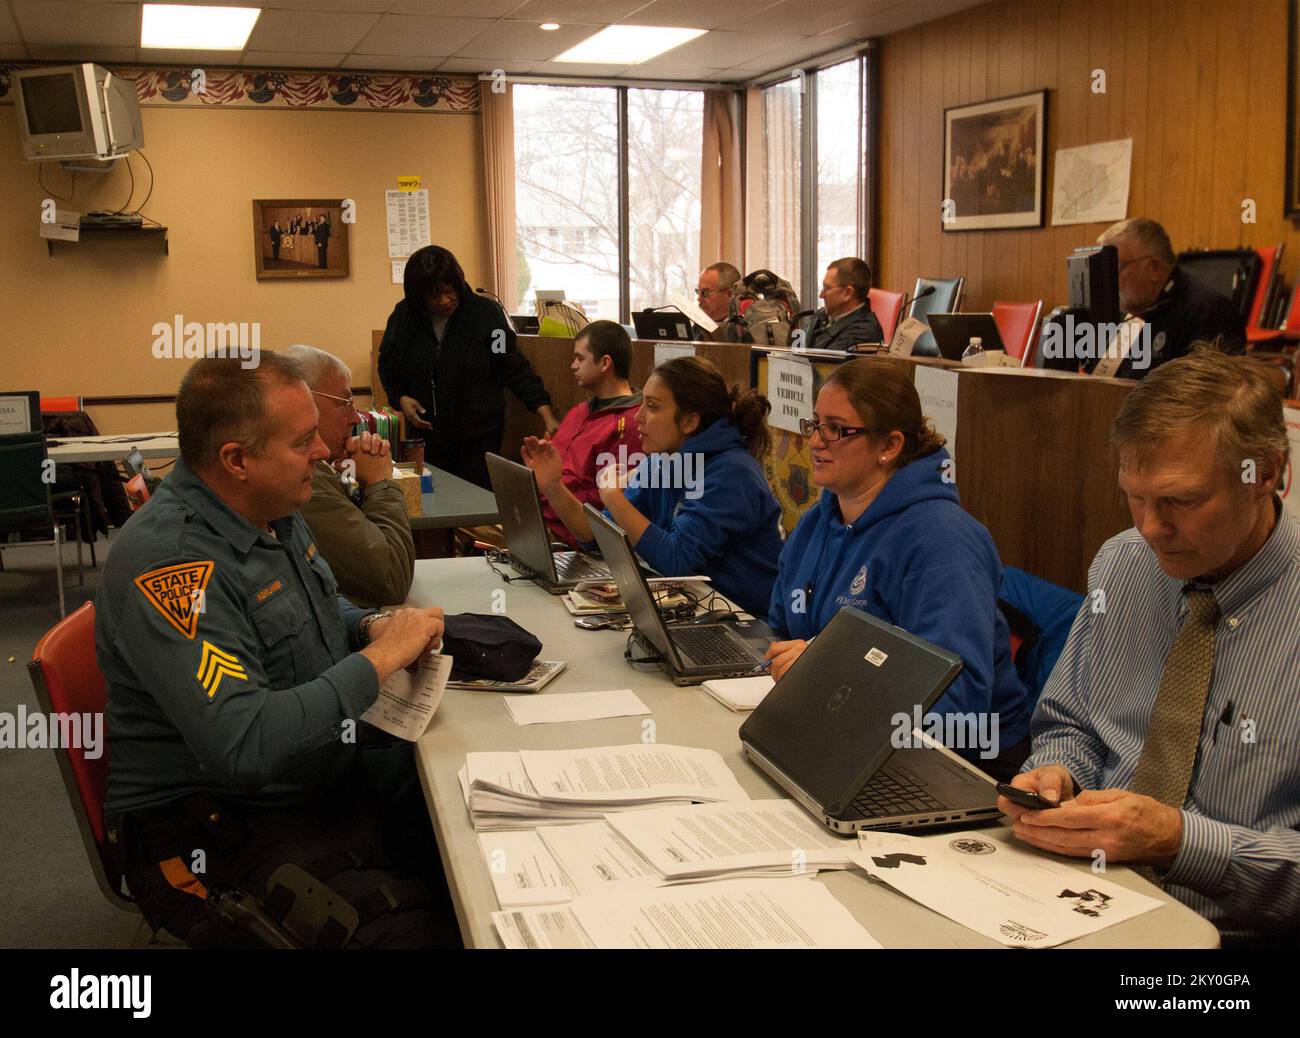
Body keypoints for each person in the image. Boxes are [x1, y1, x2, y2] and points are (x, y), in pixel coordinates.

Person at [97, 352, 458, 948]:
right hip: (210, 825)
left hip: (311, 778)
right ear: (237, 460)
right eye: (301, 441)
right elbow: (246, 742)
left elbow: (314, 615)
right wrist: (381, 658)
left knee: (472, 826)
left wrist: (370, 625)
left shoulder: (270, 510)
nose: (323, 451)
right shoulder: (172, 565)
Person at [1002, 350, 1298, 947]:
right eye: (1134, 496)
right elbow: (1073, 725)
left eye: (1180, 501)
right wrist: (1059, 776)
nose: (1148, 527)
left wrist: (1178, 840)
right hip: (1081, 898)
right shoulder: (1125, 565)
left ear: (1265, 472)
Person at [764, 359, 1031, 780]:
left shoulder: (941, 541)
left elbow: (958, 705)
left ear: (889, 446)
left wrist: (824, 673)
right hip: (840, 729)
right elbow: (782, 629)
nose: (815, 442)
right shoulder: (820, 520)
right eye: (814, 424)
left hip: (957, 765)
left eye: (836, 429)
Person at [522, 356, 782, 617]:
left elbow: (677, 561)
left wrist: (613, 496)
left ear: (689, 421)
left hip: (743, 623)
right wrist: (553, 487)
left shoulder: (731, 473)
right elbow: (596, 538)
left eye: (653, 407)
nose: (638, 417)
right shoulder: (665, 459)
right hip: (693, 608)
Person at [378, 245, 558, 488]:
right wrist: (399, 398)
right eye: (434, 296)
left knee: (477, 512)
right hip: (427, 438)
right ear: (419, 296)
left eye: (449, 291)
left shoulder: (486, 315)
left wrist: (544, 411)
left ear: (458, 282)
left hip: (479, 439)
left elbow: (510, 364)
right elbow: (387, 364)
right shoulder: (404, 317)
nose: (444, 301)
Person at [284, 345, 415, 607]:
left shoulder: (318, 469)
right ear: (303, 401)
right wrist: (380, 483)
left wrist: (346, 484)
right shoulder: (300, 477)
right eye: (345, 404)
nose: (356, 418)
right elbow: (390, 579)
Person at [531, 321, 644, 548]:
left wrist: (548, 490)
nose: (573, 366)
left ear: (605, 363)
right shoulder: (580, 411)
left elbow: (606, 501)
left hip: (566, 536)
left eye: (580, 358)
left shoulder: (631, 424)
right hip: (539, 518)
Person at [1094, 217, 1246, 377]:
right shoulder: (1133, 308)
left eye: (1115, 267)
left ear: (1154, 269)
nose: (1107, 279)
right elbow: (1104, 376)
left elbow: (1209, 395)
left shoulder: (1210, 312)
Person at [804, 257, 885, 351]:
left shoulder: (862, 334)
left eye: (827, 288)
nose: (821, 295)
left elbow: (820, 363)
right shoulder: (826, 315)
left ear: (847, 293)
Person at [693, 261, 748, 343]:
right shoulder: (699, 326)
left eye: (705, 293)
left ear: (730, 294)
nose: (699, 299)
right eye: (698, 292)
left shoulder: (743, 330)